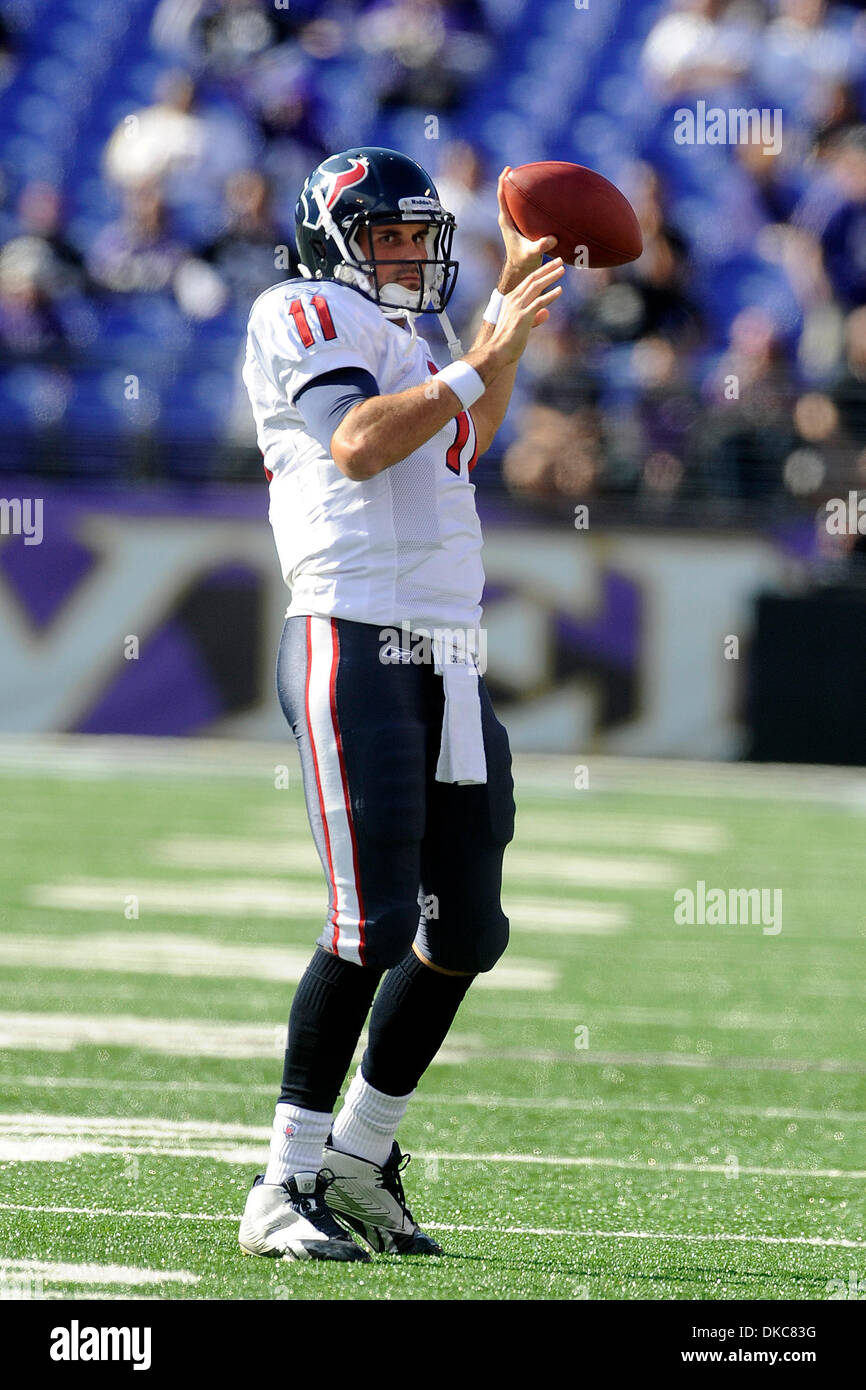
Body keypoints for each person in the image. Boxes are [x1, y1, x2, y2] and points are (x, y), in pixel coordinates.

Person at [239, 145, 562, 1261]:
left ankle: (362, 1157)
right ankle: (282, 1180)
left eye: (422, 239)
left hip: (447, 651)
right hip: (352, 634)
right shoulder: (300, 310)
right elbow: (359, 442)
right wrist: (475, 364)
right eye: (387, 236)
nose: (413, 257)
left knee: (464, 928)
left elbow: (465, 434)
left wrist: (499, 335)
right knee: (369, 923)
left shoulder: (412, 340)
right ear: (334, 238)